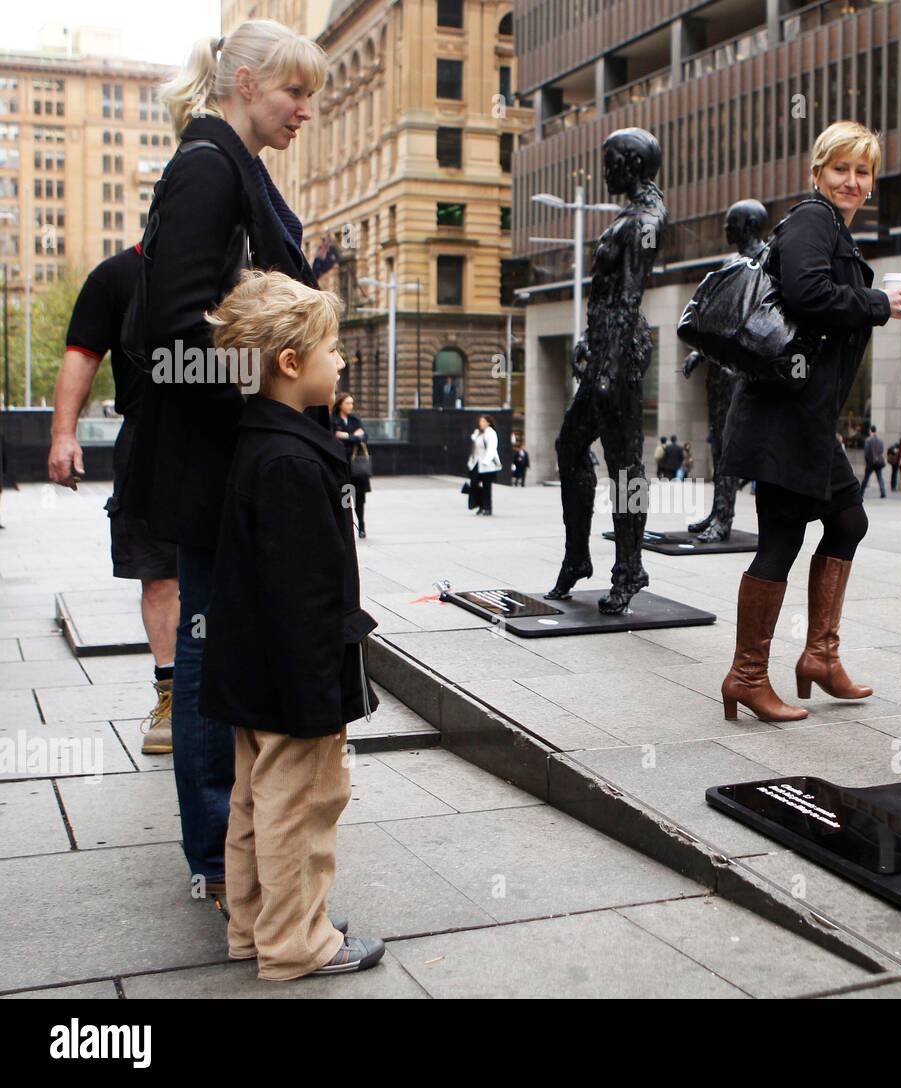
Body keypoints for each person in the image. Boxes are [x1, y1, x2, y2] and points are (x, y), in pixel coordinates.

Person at [121, 19, 327, 899]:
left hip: (231, 457)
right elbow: (170, 341)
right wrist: (269, 382)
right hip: (217, 465)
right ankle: (216, 855)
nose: (305, 112)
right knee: (207, 645)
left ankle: (226, 847)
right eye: (294, 93)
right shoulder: (209, 169)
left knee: (217, 639)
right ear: (244, 82)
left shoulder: (228, 166)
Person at [200, 270, 384, 978]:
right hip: (292, 678)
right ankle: (296, 943)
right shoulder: (291, 461)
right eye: (332, 348)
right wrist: (318, 700)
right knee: (303, 804)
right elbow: (303, 595)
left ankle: (256, 927)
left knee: (256, 801)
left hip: (253, 670)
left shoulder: (264, 442)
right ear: (289, 363)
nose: (340, 360)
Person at [718, 120, 901, 722]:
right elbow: (805, 295)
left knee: (848, 519)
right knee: (781, 540)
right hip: (780, 418)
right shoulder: (811, 219)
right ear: (818, 172)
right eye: (841, 169)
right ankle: (746, 676)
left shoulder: (833, 229)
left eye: (862, 172)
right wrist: (880, 303)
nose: (851, 181)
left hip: (802, 419)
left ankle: (820, 657)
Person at [48, 246, 179, 755]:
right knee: (159, 572)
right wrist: (63, 434)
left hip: (229, 438)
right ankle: (170, 699)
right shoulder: (116, 276)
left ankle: (225, 695)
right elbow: (82, 353)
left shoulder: (238, 268)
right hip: (149, 443)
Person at [331, 392, 370, 537]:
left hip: (356, 466)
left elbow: (364, 437)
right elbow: (333, 438)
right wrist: (355, 436)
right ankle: (347, 527)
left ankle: (361, 526)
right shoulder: (333, 420)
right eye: (347, 403)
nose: (350, 406)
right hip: (342, 465)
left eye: (352, 403)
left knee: (359, 499)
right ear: (340, 404)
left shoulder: (355, 419)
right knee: (345, 498)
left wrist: (346, 436)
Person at [468, 413, 501, 515]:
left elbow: (492, 448)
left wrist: (486, 461)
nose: (481, 423)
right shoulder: (478, 433)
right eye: (480, 421)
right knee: (474, 484)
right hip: (477, 463)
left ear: (488, 423)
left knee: (487, 486)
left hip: (488, 465)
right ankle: (480, 504)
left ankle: (487, 508)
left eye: (483, 421)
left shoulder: (491, 433)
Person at [863, 424, 886, 499]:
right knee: (880, 478)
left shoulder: (868, 440)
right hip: (878, 462)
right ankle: (883, 493)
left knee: (866, 479)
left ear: (870, 431)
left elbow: (866, 453)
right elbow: (882, 451)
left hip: (870, 462)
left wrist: (867, 462)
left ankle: (861, 493)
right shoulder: (880, 441)